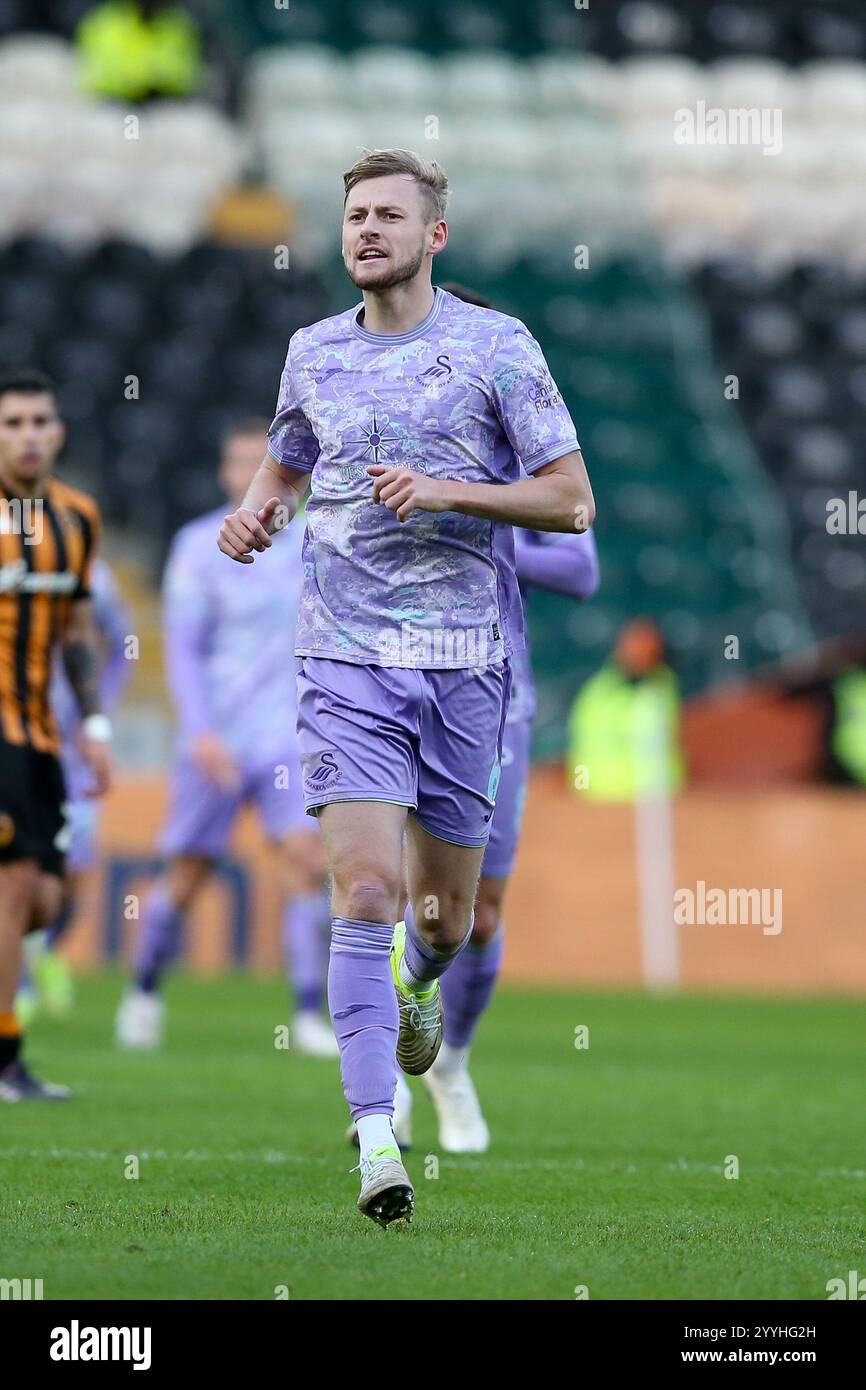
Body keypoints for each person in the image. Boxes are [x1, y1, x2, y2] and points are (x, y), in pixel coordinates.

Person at [218, 148, 595, 1225]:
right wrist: (258, 513)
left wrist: (446, 490)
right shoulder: (312, 352)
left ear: (434, 236)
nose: (365, 230)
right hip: (343, 656)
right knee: (366, 892)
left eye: (388, 215)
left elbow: (570, 503)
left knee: (446, 916)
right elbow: (288, 460)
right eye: (353, 215)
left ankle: (417, 983)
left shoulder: (495, 349)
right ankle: (377, 1134)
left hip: (466, 665)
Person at [115, 421, 335, 1056]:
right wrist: (201, 729)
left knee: (306, 862)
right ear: (224, 474)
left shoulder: (313, 541)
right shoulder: (196, 545)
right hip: (214, 737)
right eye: (240, 462)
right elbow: (183, 647)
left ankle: (305, 1011)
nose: (250, 474)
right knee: (186, 872)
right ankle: (144, 992)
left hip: (288, 736)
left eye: (260, 461)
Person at [0, 369, 112, 1101]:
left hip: (41, 736)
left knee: (46, 898)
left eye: (39, 421)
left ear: (59, 432)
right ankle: (7, 1058)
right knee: (12, 893)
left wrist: (95, 725)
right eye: (12, 424)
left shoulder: (78, 519)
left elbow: (75, 632)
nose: (28, 435)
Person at [16, 558, 130, 1024]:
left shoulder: (91, 572)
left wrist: (98, 714)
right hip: (15, 738)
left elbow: (125, 644)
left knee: (75, 867)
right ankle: (18, 980)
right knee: (15, 863)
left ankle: (52, 948)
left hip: (72, 745)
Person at [568, 619, 685, 802]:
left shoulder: (663, 685)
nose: (641, 653)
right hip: (607, 799)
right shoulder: (597, 694)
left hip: (654, 800)